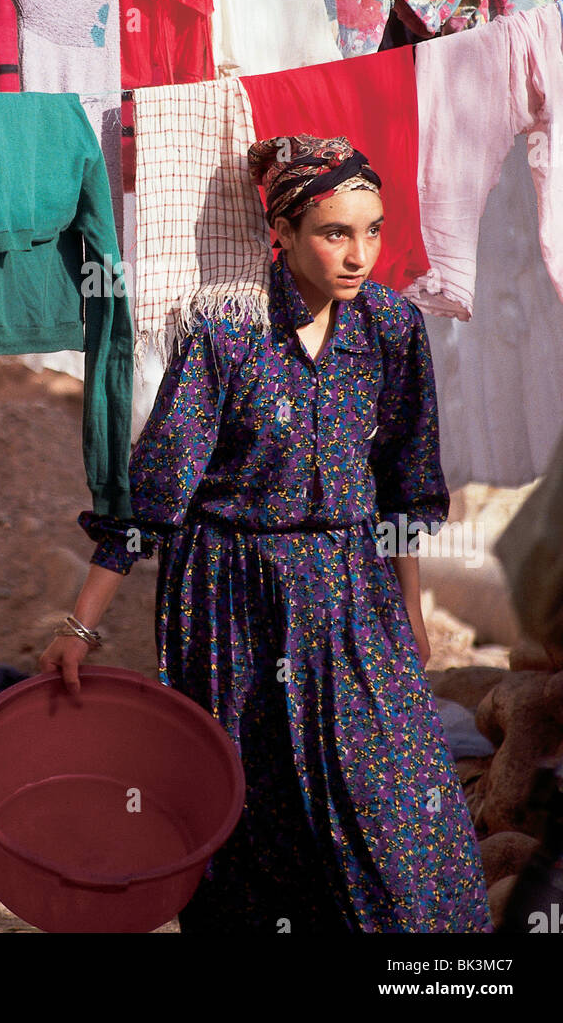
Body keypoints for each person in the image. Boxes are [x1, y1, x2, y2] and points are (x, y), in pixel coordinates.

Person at [39, 132, 493, 933]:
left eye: (373, 230)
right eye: (335, 233)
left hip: (355, 592)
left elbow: (406, 480)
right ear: (280, 235)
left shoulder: (391, 329)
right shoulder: (225, 333)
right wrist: (82, 624)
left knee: (393, 808)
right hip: (230, 595)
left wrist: (411, 607)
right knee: (249, 813)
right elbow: (156, 494)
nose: (359, 255)